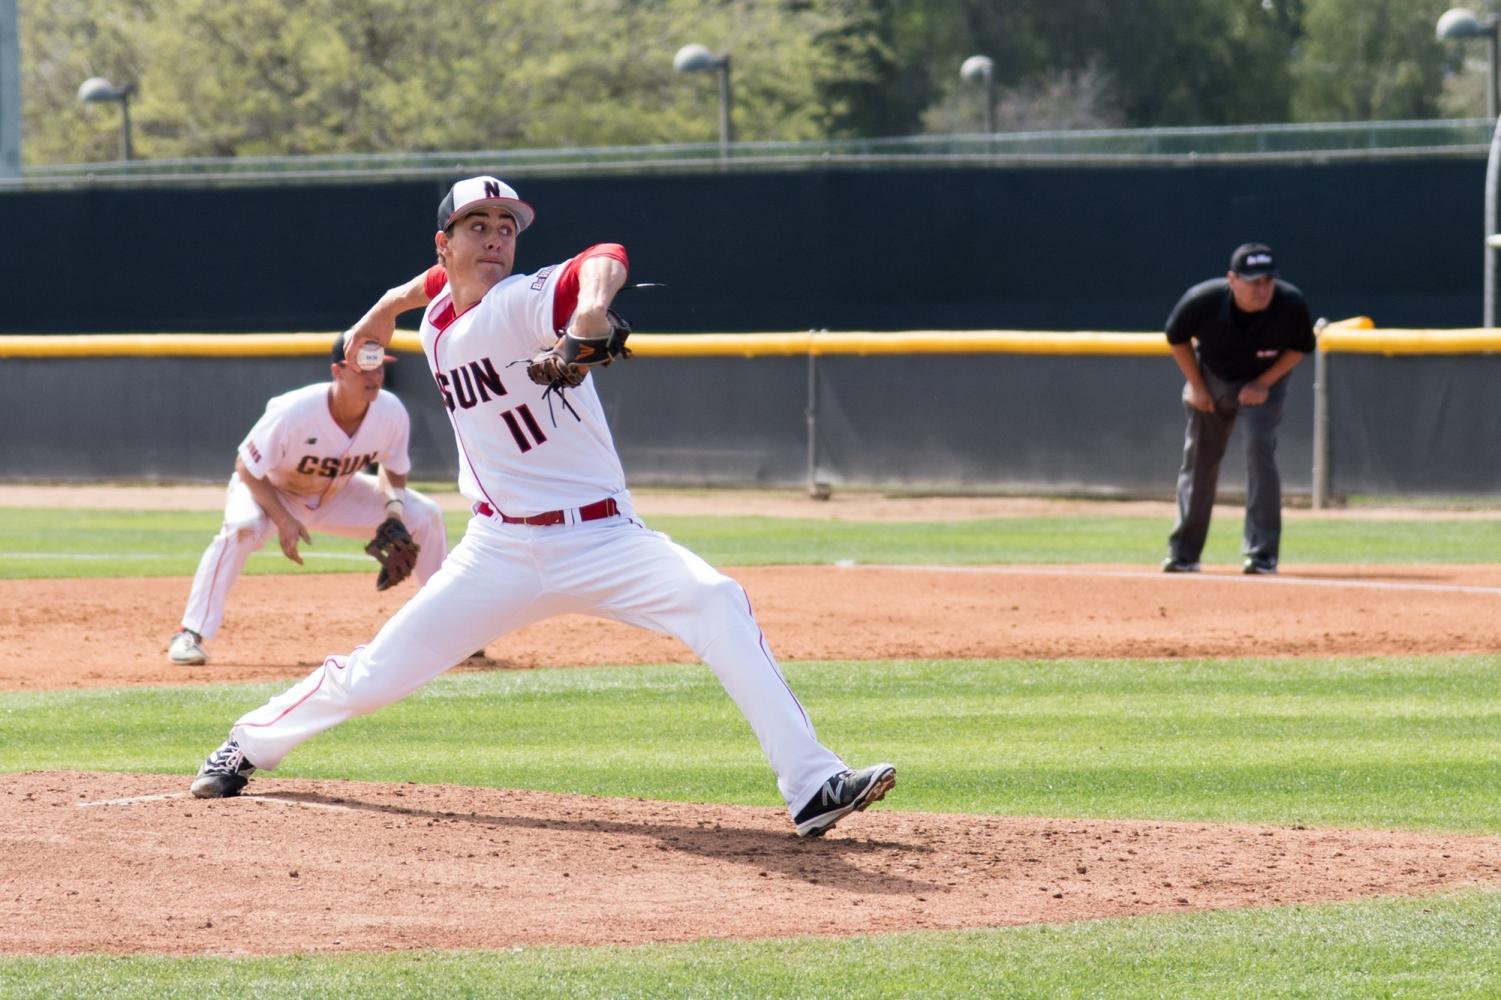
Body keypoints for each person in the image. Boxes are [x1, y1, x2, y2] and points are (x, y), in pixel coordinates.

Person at [188, 176, 895, 839]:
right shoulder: (437, 315)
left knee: (716, 600)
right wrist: (379, 314)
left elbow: (605, 257)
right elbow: (427, 288)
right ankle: (247, 744)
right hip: (498, 554)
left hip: (606, 541)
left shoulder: (520, 301)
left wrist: (588, 308)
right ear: (445, 243)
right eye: (476, 226)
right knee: (375, 674)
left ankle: (811, 785)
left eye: (506, 227)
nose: (495, 237)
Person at [167, 333, 449, 665]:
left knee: (426, 515)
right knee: (242, 528)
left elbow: (394, 468)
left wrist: (394, 511)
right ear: (338, 371)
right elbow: (246, 466)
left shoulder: (390, 412)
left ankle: (449, 629)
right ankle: (189, 633)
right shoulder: (295, 411)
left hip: (338, 493)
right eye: (363, 368)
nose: (373, 377)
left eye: (378, 369)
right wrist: (283, 519)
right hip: (271, 490)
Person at [1161, 242, 1317, 576]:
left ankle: (1262, 554)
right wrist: (1198, 386)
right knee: (1200, 457)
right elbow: (1176, 338)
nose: (1262, 288)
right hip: (1214, 376)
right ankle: (1184, 553)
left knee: (1258, 448)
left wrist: (1264, 383)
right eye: (1253, 281)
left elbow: (1302, 346)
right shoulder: (1203, 300)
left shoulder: (1289, 303)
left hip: (1265, 380)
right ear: (1232, 280)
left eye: (1267, 281)